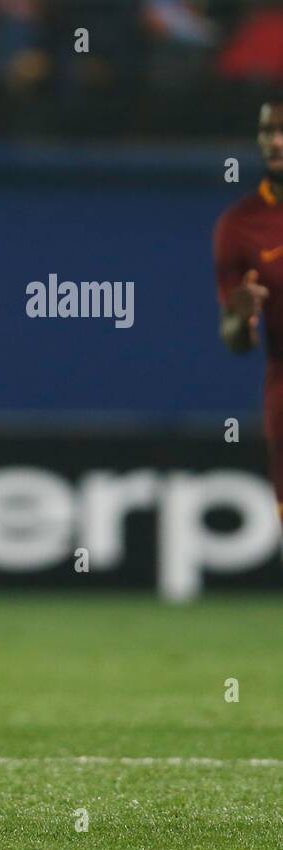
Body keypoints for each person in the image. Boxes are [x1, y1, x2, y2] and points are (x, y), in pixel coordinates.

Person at [214, 94, 283, 526]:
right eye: (266, 131)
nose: (275, 141)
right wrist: (239, 317)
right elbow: (237, 340)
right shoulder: (240, 225)